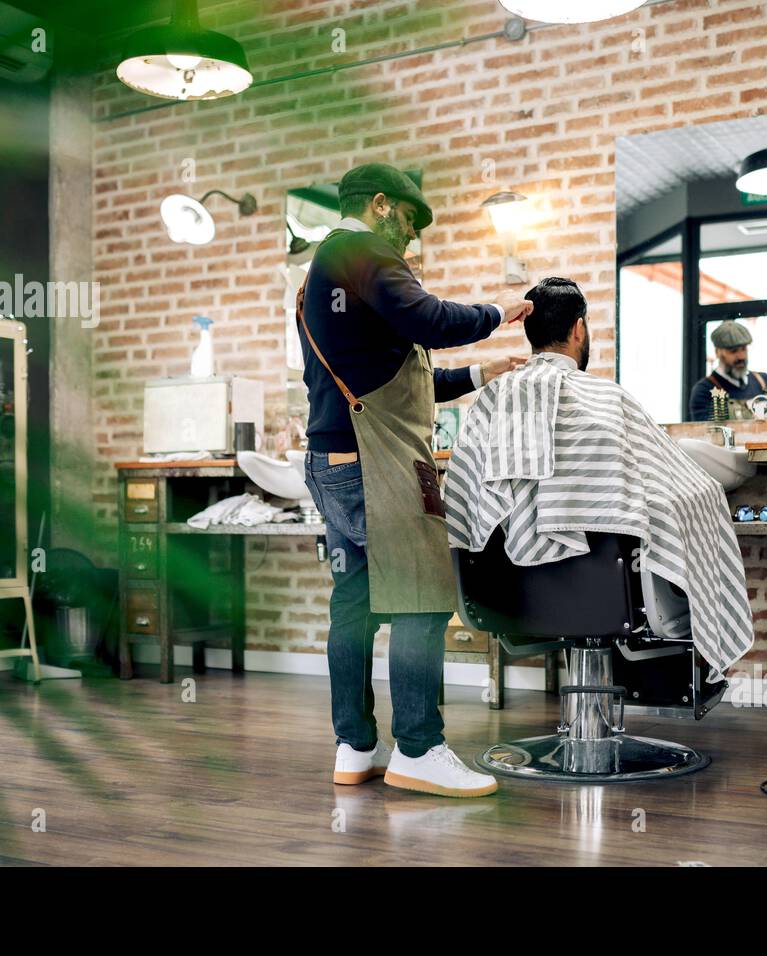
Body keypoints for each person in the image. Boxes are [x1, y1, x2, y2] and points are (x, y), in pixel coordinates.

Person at [297, 162, 530, 798]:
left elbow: (395, 380)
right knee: (423, 599)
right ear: (380, 205)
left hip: (335, 460)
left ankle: (355, 747)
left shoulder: (325, 267)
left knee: (354, 603)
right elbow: (429, 320)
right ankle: (420, 751)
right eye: (409, 220)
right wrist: (496, 312)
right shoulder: (363, 250)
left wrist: (484, 375)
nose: (411, 238)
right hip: (379, 465)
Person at [444, 278, 754, 684]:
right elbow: (691, 490)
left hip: (510, 597)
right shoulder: (609, 400)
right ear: (578, 329)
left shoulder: (490, 401)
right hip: (612, 600)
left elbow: (465, 510)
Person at [689, 320, 767, 419]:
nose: (741, 356)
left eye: (744, 349)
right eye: (733, 351)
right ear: (717, 352)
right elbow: (706, 432)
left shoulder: (764, 382)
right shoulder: (705, 391)